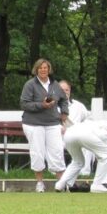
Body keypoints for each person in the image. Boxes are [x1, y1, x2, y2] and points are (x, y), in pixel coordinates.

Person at [19, 58, 68, 193]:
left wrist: (64, 112)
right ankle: (40, 183)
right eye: (40, 68)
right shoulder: (30, 85)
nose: (43, 70)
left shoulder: (55, 84)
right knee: (38, 153)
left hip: (52, 122)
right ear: (36, 70)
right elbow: (24, 104)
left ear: (49, 69)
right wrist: (42, 105)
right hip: (33, 123)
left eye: (45, 68)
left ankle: (61, 183)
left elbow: (64, 99)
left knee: (57, 151)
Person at [55, 119, 107, 193]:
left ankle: (60, 184)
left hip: (69, 134)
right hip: (85, 134)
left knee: (78, 162)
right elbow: (105, 156)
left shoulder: (101, 123)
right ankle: (97, 185)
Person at [59, 80, 92, 177]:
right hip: (60, 137)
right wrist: (60, 128)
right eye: (62, 90)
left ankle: (84, 173)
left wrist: (82, 127)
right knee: (55, 145)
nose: (65, 92)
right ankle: (58, 171)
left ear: (70, 91)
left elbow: (89, 119)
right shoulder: (52, 106)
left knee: (88, 143)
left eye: (67, 90)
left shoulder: (78, 105)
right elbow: (48, 122)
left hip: (77, 135)